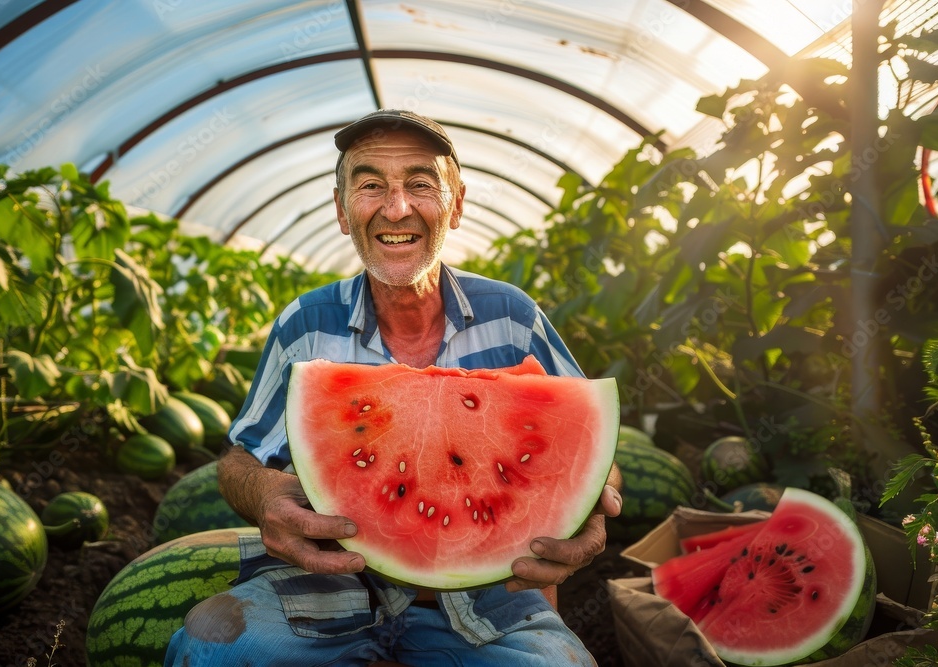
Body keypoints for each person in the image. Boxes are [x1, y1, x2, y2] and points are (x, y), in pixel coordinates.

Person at [164, 109, 623, 666]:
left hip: (488, 601)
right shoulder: (306, 325)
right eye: (370, 185)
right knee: (209, 652)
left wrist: (593, 509)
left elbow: (587, 446)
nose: (396, 208)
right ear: (342, 211)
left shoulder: (513, 317)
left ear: (455, 206)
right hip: (330, 584)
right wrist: (263, 495)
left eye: (420, 184)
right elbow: (239, 459)